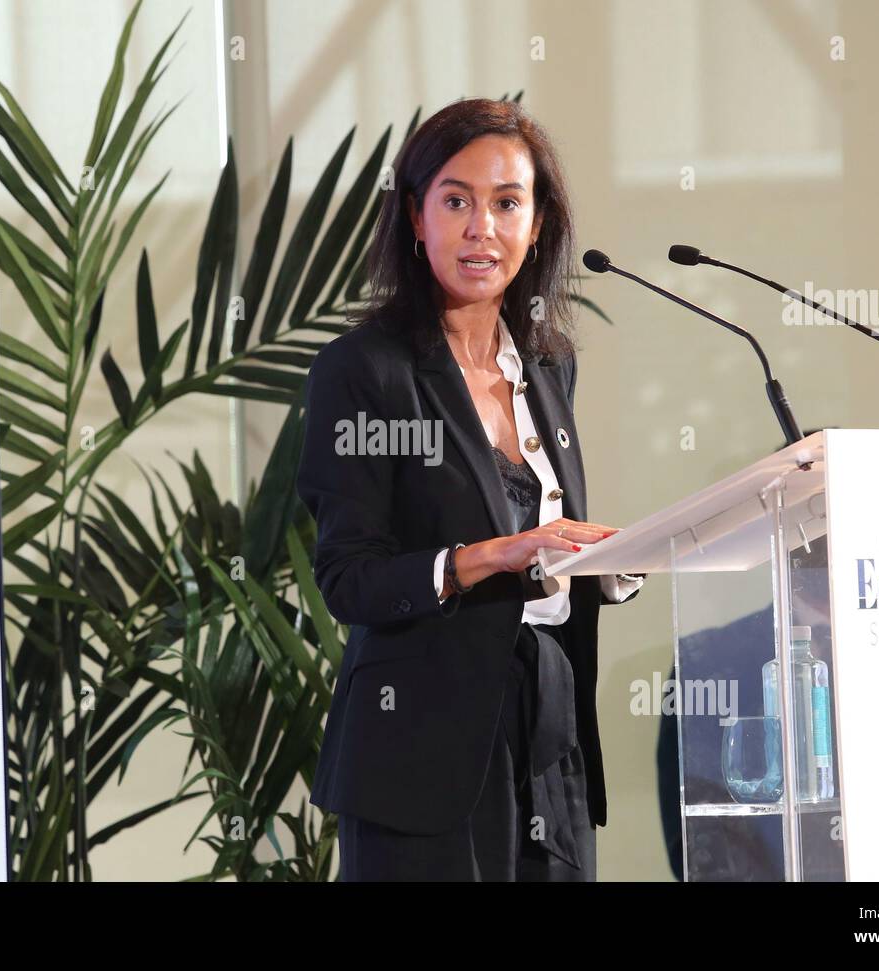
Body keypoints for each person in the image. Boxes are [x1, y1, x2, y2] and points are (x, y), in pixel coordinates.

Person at [296, 97, 644, 882]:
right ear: (416, 220)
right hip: (421, 762)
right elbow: (349, 578)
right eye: (455, 201)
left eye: (506, 203)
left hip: (549, 740)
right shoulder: (364, 371)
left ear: (538, 224)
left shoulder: (549, 366)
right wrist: (485, 556)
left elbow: (545, 558)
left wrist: (612, 562)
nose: (481, 227)